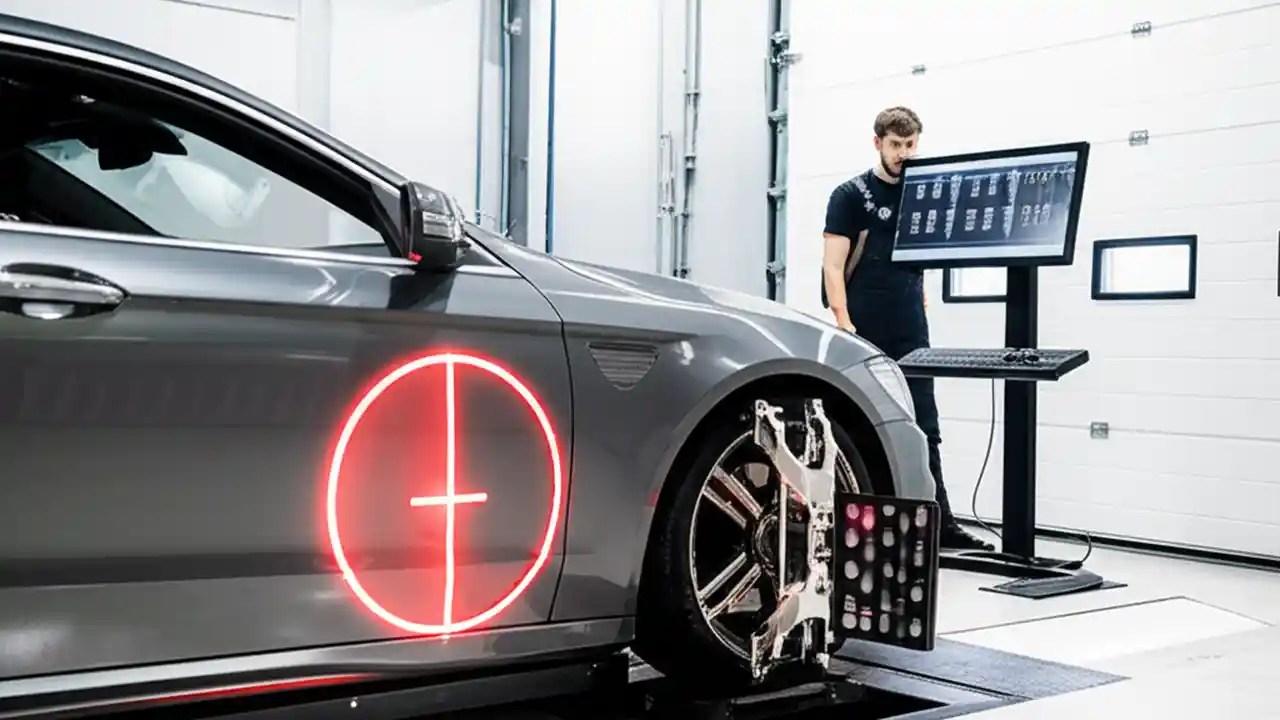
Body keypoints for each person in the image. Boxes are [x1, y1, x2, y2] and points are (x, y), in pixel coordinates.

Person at [820, 106, 993, 552]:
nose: (903, 153)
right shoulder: (849, 195)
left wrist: (920, 306)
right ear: (877, 142)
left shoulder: (921, 190)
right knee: (864, 421)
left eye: (910, 144)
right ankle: (868, 529)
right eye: (895, 145)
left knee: (925, 424)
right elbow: (833, 266)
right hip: (862, 325)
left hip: (910, 326)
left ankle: (942, 525)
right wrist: (844, 323)